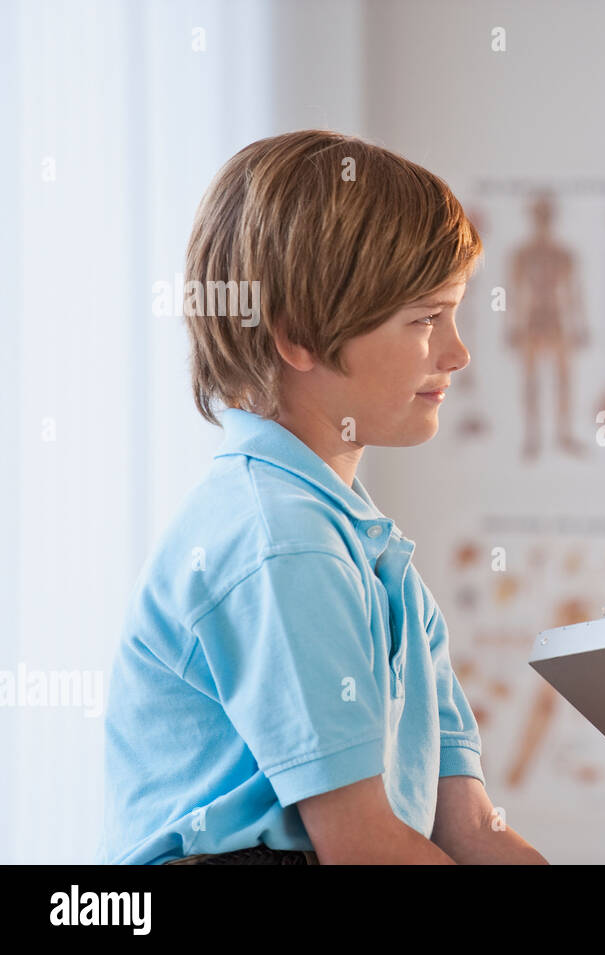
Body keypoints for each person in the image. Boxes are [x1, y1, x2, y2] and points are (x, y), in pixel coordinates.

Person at [97, 130, 546, 864]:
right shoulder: (281, 538)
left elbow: (466, 827)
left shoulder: (374, 554)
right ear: (298, 336)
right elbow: (364, 848)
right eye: (426, 319)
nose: (457, 353)